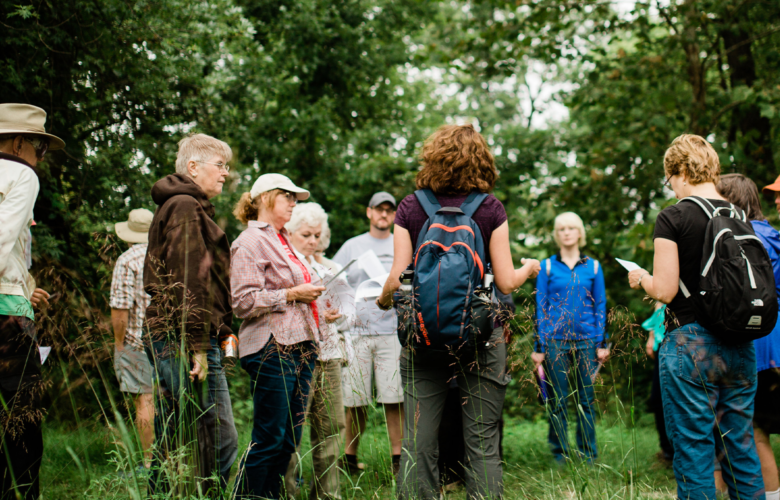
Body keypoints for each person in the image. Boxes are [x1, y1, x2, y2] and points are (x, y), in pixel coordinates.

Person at [376, 123, 541, 500]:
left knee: (418, 442)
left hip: (422, 336)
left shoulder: (410, 206)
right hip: (481, 336)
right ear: (481, 160)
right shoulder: (490, 208)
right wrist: (529, 268)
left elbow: (395, 278)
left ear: (433, 157)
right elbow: (506, 282)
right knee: (482, 441)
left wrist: (383, 302)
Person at [626, 134, 765, 500]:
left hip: (691, 344)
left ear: (682, 171)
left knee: (694, 450)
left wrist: (642, 278)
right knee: (741, 447)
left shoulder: (673, 217)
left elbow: (667, 290)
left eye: (669, 178)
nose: (670, 187)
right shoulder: (737, 214)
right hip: (740, 343)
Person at [143, 133, 238, 497]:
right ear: (193, 166)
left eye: (227, 166)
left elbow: (206, 283)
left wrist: (223, 330)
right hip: (180, 336)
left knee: (179, 436)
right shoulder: (184, 206)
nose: (226, 173)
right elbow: (187, 280)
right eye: (220, 165)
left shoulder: (190, 207)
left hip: (183, 335)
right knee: (216, 441)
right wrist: (197, 342)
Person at [230, 174, 337, 499]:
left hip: (302, 347)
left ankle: (269, 496)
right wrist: (291, 294)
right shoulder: (248, 242)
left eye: (295, 198)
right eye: (287, 197)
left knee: (289, 440)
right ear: (265, 198)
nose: (294, 203)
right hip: (271, 348)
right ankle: (245, 497)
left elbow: (294, 292)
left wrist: (315, 301)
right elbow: (242, 301)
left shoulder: (283, 240)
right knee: (270, 436)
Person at [0, 103, 63, 500]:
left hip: (13, 298)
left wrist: (26, 284)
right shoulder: (22, 173)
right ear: (21, 141)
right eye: (39, 149)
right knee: (23, 427)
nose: (39, 158)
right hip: (7, 320)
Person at [718, 173, 780, 500]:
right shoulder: (773, 235)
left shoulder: (739, 239)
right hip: (776, 344)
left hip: (759, 347)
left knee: (752, 431)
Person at [283, 202, 351, 500]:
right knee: (291, 429)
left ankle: (327, 495)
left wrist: (338, 312)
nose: (312, 241)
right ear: (291, 233)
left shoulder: (330, 268)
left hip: (330, 354)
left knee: (332, 428)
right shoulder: (285, 266)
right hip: (296, 355)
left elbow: (348, 312)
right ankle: (287, 492)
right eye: (306, 235)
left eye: (317, 235)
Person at [332, 191, 404, 474]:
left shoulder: (402, 244)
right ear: (369, 213)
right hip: (358, 333)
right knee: (355, 400)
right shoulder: (353, 246)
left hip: (392, 331)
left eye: (389, 210)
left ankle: (398, 458)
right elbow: (335, 280)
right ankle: (349, 458)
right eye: (379, 209)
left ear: (395, 215)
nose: (384, 214)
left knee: (393, 397)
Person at [532, 211, 608, 464]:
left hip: (587, 341)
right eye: (561, 228)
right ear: (557, 234)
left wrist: (602, 343)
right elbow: (540, 307)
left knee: (586, 400)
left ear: (579, 232)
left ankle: (588, 453)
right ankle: (560, 454)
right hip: (554, 342)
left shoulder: (594, 267)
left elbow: (600, 305)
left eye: (571, 228)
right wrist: (539, 346)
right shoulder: (547, 266)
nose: (566, 232)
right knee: (558, 400)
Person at [110, 208, 155, 475]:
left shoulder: (127, 260)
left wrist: (119, 344)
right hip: (170, 344)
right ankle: (174, 459)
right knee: (170, 401)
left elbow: (120, 310)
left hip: (138, 343)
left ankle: (149, 463)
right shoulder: (168, 257)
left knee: (145, 401)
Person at [641, 302, 674, 465]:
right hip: (664, 337)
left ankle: (677, 452)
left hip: (683, 336)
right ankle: (668, 452)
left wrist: (641, 278)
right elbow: (660, 297)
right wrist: (652, 334)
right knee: (658, 399)